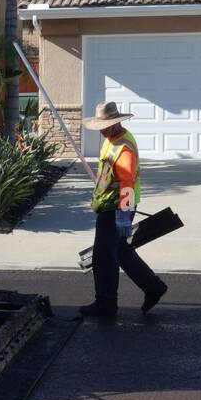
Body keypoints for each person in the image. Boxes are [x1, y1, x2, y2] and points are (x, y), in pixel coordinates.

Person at [78, 101, 168, 317]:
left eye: (104, 126)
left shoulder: (123, 147)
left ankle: (106, 303)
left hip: (117, 207)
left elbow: (126, 182)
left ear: (114, 124)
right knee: (119, 250)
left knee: (103, 256)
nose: (100, 130)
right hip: (110, 203)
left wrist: (123, 218)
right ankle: (153, 287)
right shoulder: (111, 140)